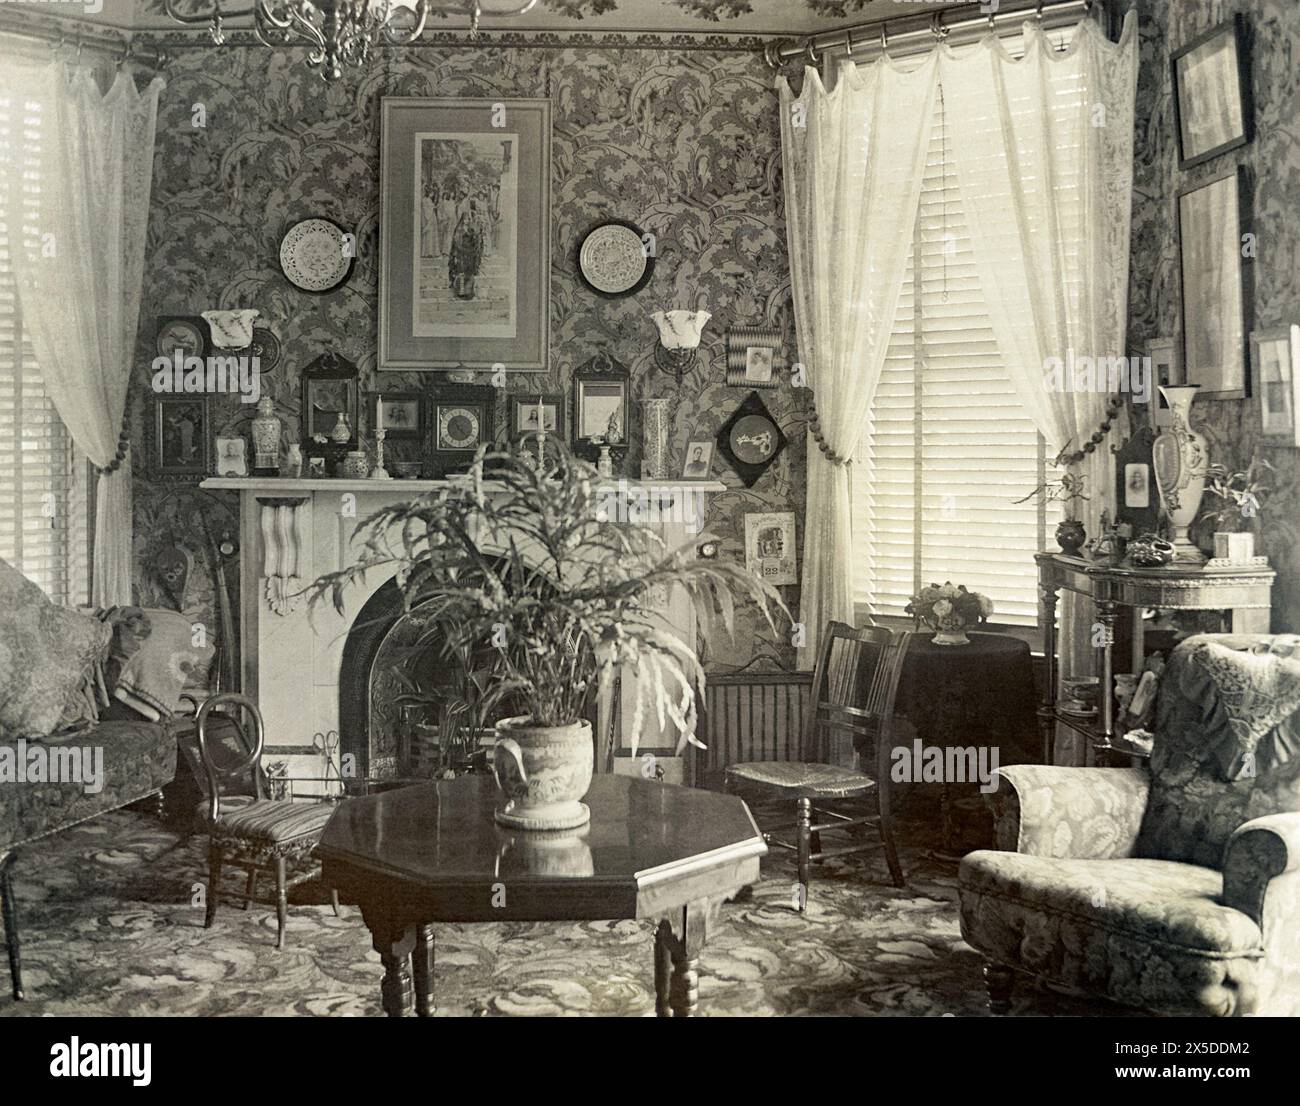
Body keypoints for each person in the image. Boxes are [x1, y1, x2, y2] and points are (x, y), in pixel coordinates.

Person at [448, 200, 485, 300]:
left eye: (468, 219)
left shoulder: (471, 229)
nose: (466, 220)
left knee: (469, 274)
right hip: (461, 254)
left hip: (469, 255)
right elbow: (456, 242)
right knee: (461, 273)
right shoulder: (459, 229)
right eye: (465, 219)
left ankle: (469, 293)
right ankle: (460, 293)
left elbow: (475, 240)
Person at [420, 188, 439, 258]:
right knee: (428, 235)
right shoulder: (425, 200)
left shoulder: (428, 199)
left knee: (431, 235)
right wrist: (433, 208)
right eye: (431, 193)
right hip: (429, 218)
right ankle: (428, 252)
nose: (432, 194)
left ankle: (431, 252)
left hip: (431, 217)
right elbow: (426, 210)